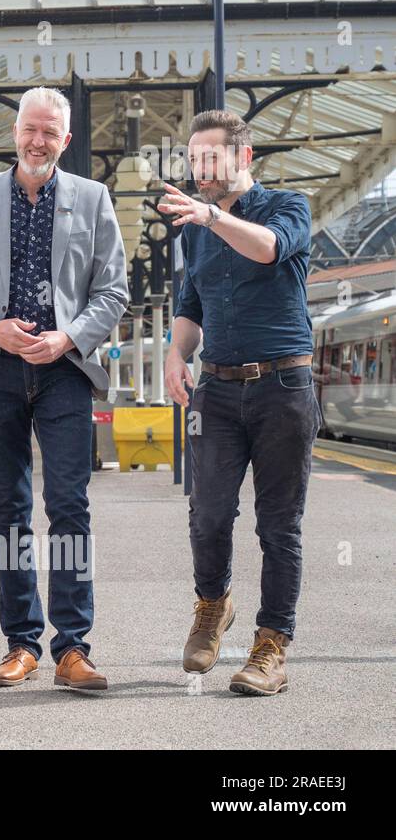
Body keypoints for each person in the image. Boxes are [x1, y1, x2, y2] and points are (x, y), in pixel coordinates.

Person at [0, 86, 127, 691]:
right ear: (14, 132)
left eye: (50, 132)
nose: (37, 140)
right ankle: (21, 642)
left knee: (69, 507)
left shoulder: (93, 200)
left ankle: (73, 647)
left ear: (65, 141)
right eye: (29, 129)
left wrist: (67, 338)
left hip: (65, 374)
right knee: (8, 511)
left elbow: (113, 292)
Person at [160, 109, 317, 697]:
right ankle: (212, 606)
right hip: (218, 390)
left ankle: (271, 646)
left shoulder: (287, 206)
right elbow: (191, 303)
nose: (199, 171)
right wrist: (177, 355)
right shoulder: (195, 230)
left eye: (210, 159)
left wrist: (212, 216)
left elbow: (269, 249)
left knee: (279, 526)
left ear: (243, 157)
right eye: (193, 160)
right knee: (208, 513)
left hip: (284, 387)